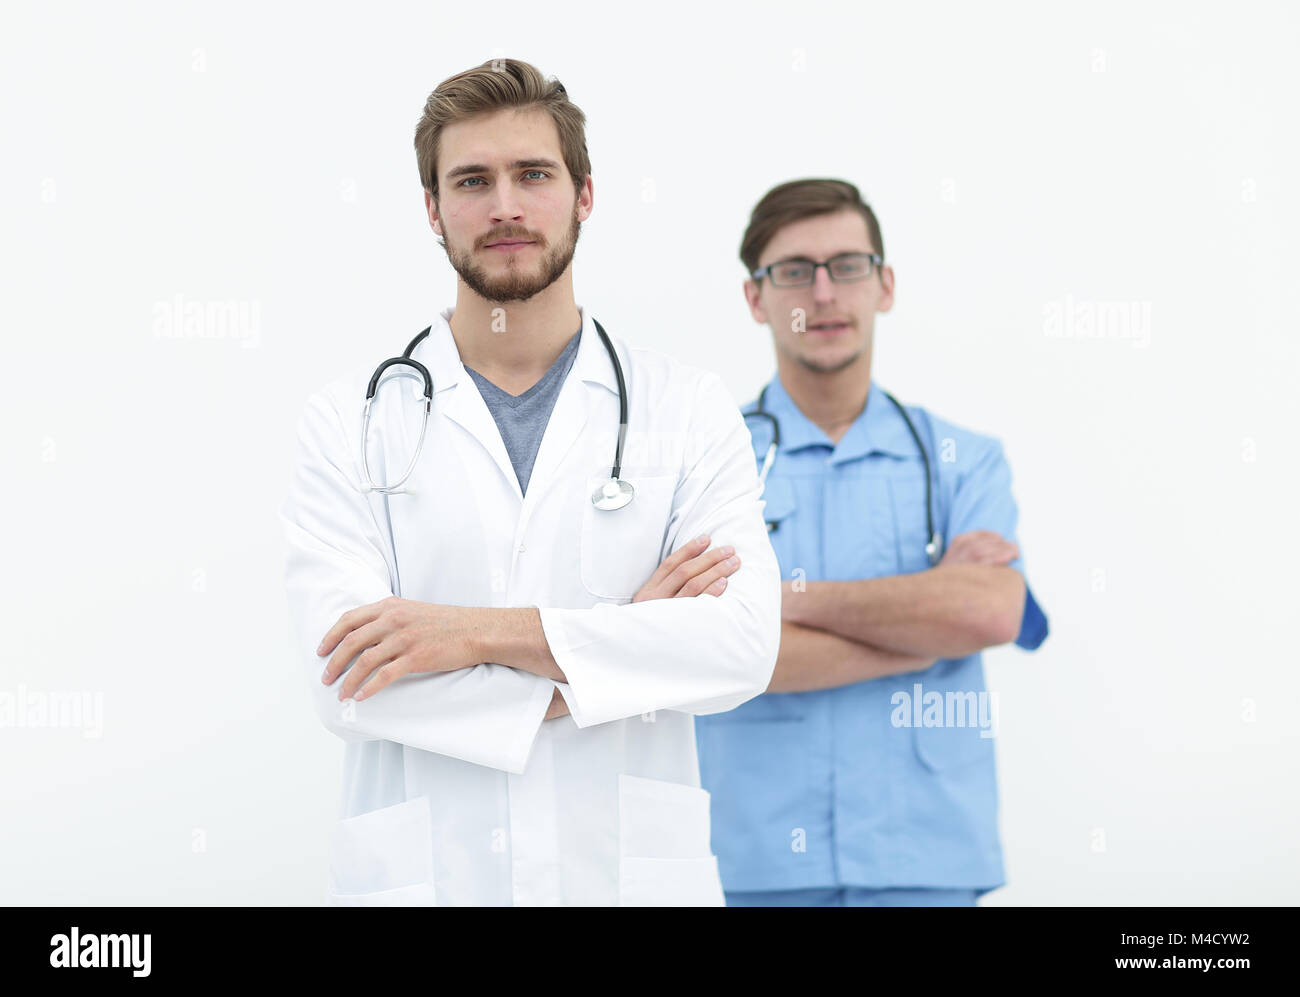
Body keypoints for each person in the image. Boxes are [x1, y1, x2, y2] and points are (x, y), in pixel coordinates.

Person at [278, 58, 779, 906]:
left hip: (620, 880)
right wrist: (617, 648)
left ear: (585, 195)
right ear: (433, 211)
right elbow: (347, 682)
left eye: (533, 175)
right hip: (430, 880)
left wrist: (465, 633)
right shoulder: (347, 423)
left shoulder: (686, 409)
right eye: (472, 180)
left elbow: (739, 647)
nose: (505, 205)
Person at [694, 179, 1049, 907]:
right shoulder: (706, 462)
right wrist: (924, 626)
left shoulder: (964, 458)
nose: (823, 294)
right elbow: (708, 649)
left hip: (928, 859)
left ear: (884, 285)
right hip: (758, 863)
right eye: (794, 271)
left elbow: (989, 614)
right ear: (755, 298)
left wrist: (779, 600)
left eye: (848, 266)